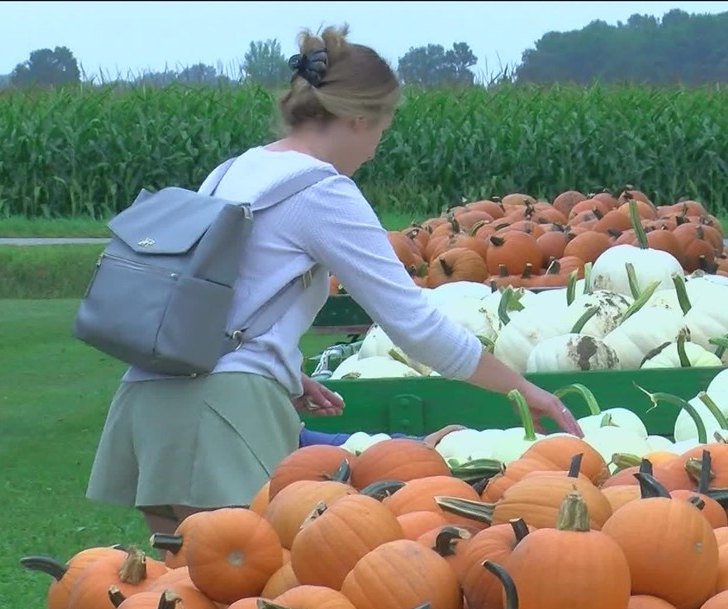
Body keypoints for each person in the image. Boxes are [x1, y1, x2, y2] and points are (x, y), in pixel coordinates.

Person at [82, 24, 582, 543]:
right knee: (256, 598)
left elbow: (217, 298)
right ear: (360, 118)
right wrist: (523, 389)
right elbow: (415, 326)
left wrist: (285, 373)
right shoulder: (322, 192)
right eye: (381, 131)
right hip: (221, 417)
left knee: (186, 602)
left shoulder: (234, 170)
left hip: (149, 400)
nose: (373, 151)